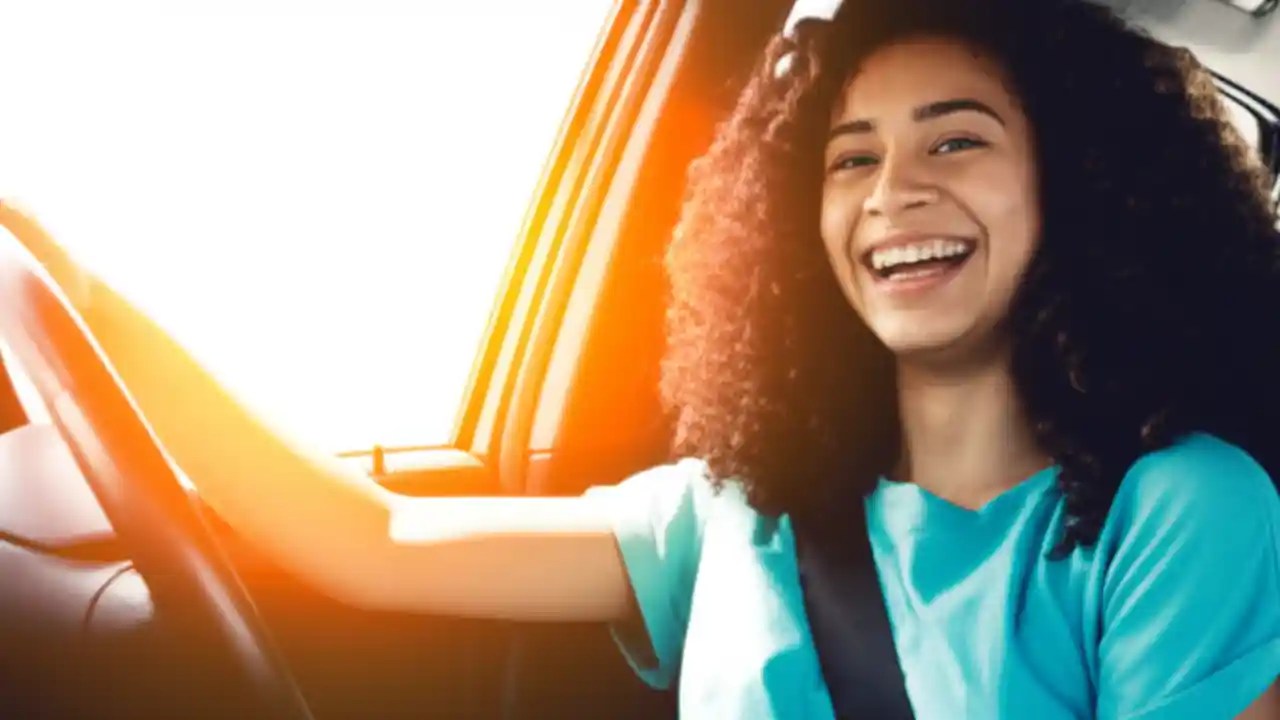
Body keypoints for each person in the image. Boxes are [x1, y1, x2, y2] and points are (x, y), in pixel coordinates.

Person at [7, 0, 1279, 717]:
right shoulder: (730, 516)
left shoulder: (1180, 514)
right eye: (848, 157)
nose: (891, 190)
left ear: (1083, 190)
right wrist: (72, 292)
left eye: (954, 143)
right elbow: (370, 537)